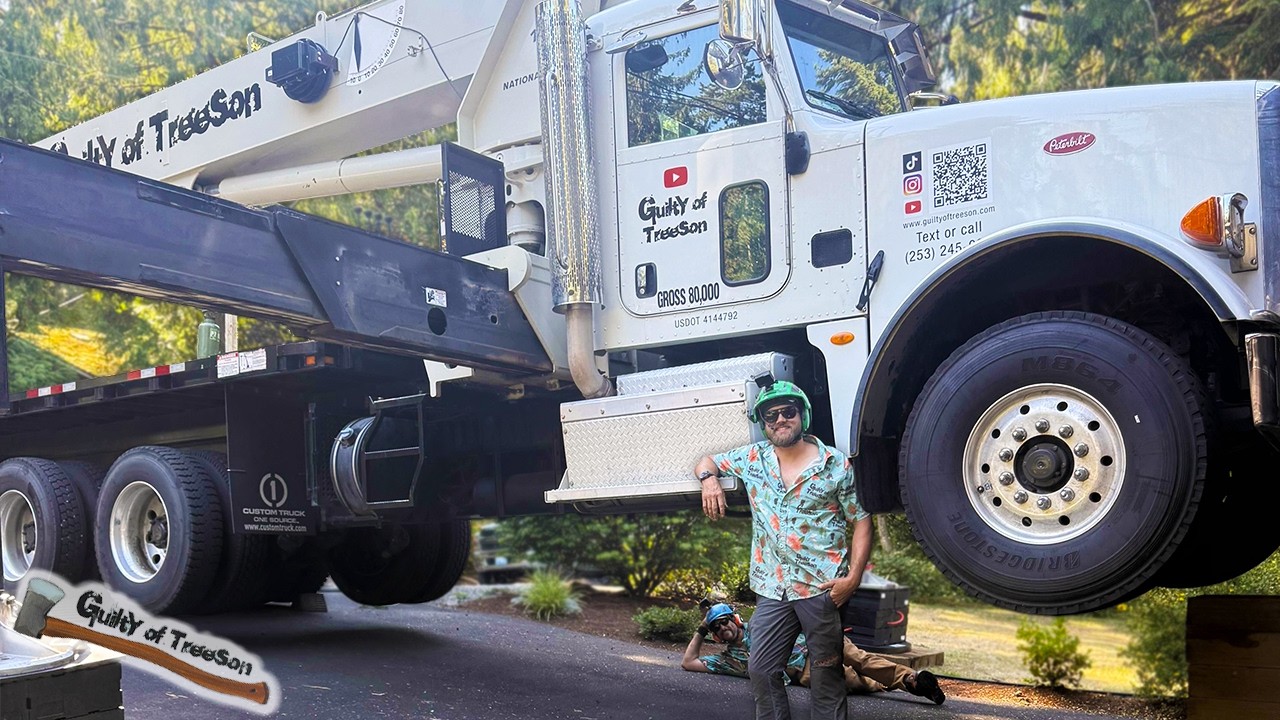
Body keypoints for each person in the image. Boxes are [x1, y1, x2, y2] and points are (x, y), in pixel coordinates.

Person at [694, 379, 870, 720]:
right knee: (761, 669)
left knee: (826, 676)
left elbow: (861, 521)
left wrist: (853, 578)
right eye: (770, 415)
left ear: (802, 414)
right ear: (763, 423)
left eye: (787, 412)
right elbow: (706, 461)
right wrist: (708, 480)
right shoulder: (753, 459)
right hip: (773, 589)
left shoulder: (835, 465)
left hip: (821, 590)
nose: (779, 420)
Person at [681, 602, 946, 705]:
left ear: (735, 620)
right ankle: (899, 684)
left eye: (725, 620)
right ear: (715, 635)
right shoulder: (728, 660)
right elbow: (689, 662)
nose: (723, 627)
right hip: (805, 672)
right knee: (854, 681)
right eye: (717, 627)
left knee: (858, 659)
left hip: (816, 642)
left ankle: (911, 680)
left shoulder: (761, 624)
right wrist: (702, 628)